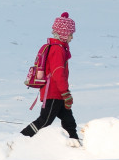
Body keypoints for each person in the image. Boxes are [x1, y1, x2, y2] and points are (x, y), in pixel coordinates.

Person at [21, 11, 80, 144]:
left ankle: (75, 141)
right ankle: (20, 139)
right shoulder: (57, 50)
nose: (72, 38)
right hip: (54, 92)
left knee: (68, 120)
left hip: (56, 92)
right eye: (71, 34)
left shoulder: (58, 48)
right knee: (45, 120)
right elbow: (58, 73)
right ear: (64, 34)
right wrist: (66, 93)